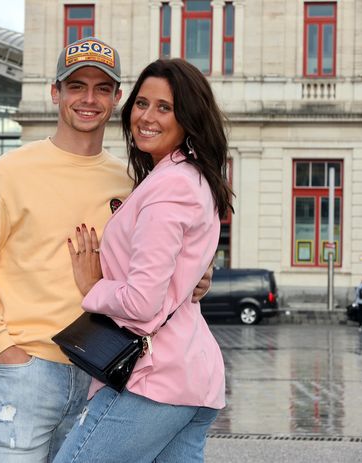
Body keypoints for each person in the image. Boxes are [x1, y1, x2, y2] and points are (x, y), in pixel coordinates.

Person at [0, 37, 212, 463]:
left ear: (117, 99)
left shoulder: (133, 183)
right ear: (55, 93)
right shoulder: (8, 174)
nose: (89, 99)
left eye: (102, 89)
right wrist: (3, 348)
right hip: (28, 368)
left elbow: (160, 260)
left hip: (105, 373)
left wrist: (199, 277)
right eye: (76, 86)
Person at [53, 58, 233, 463]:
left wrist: (92, 287)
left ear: (188, 117)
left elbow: (141, 302)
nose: (147, 117)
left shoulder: (170, 187)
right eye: (141, 104)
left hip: (157, 380)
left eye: (164, 108)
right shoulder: (184, 177)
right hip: (188, 376)